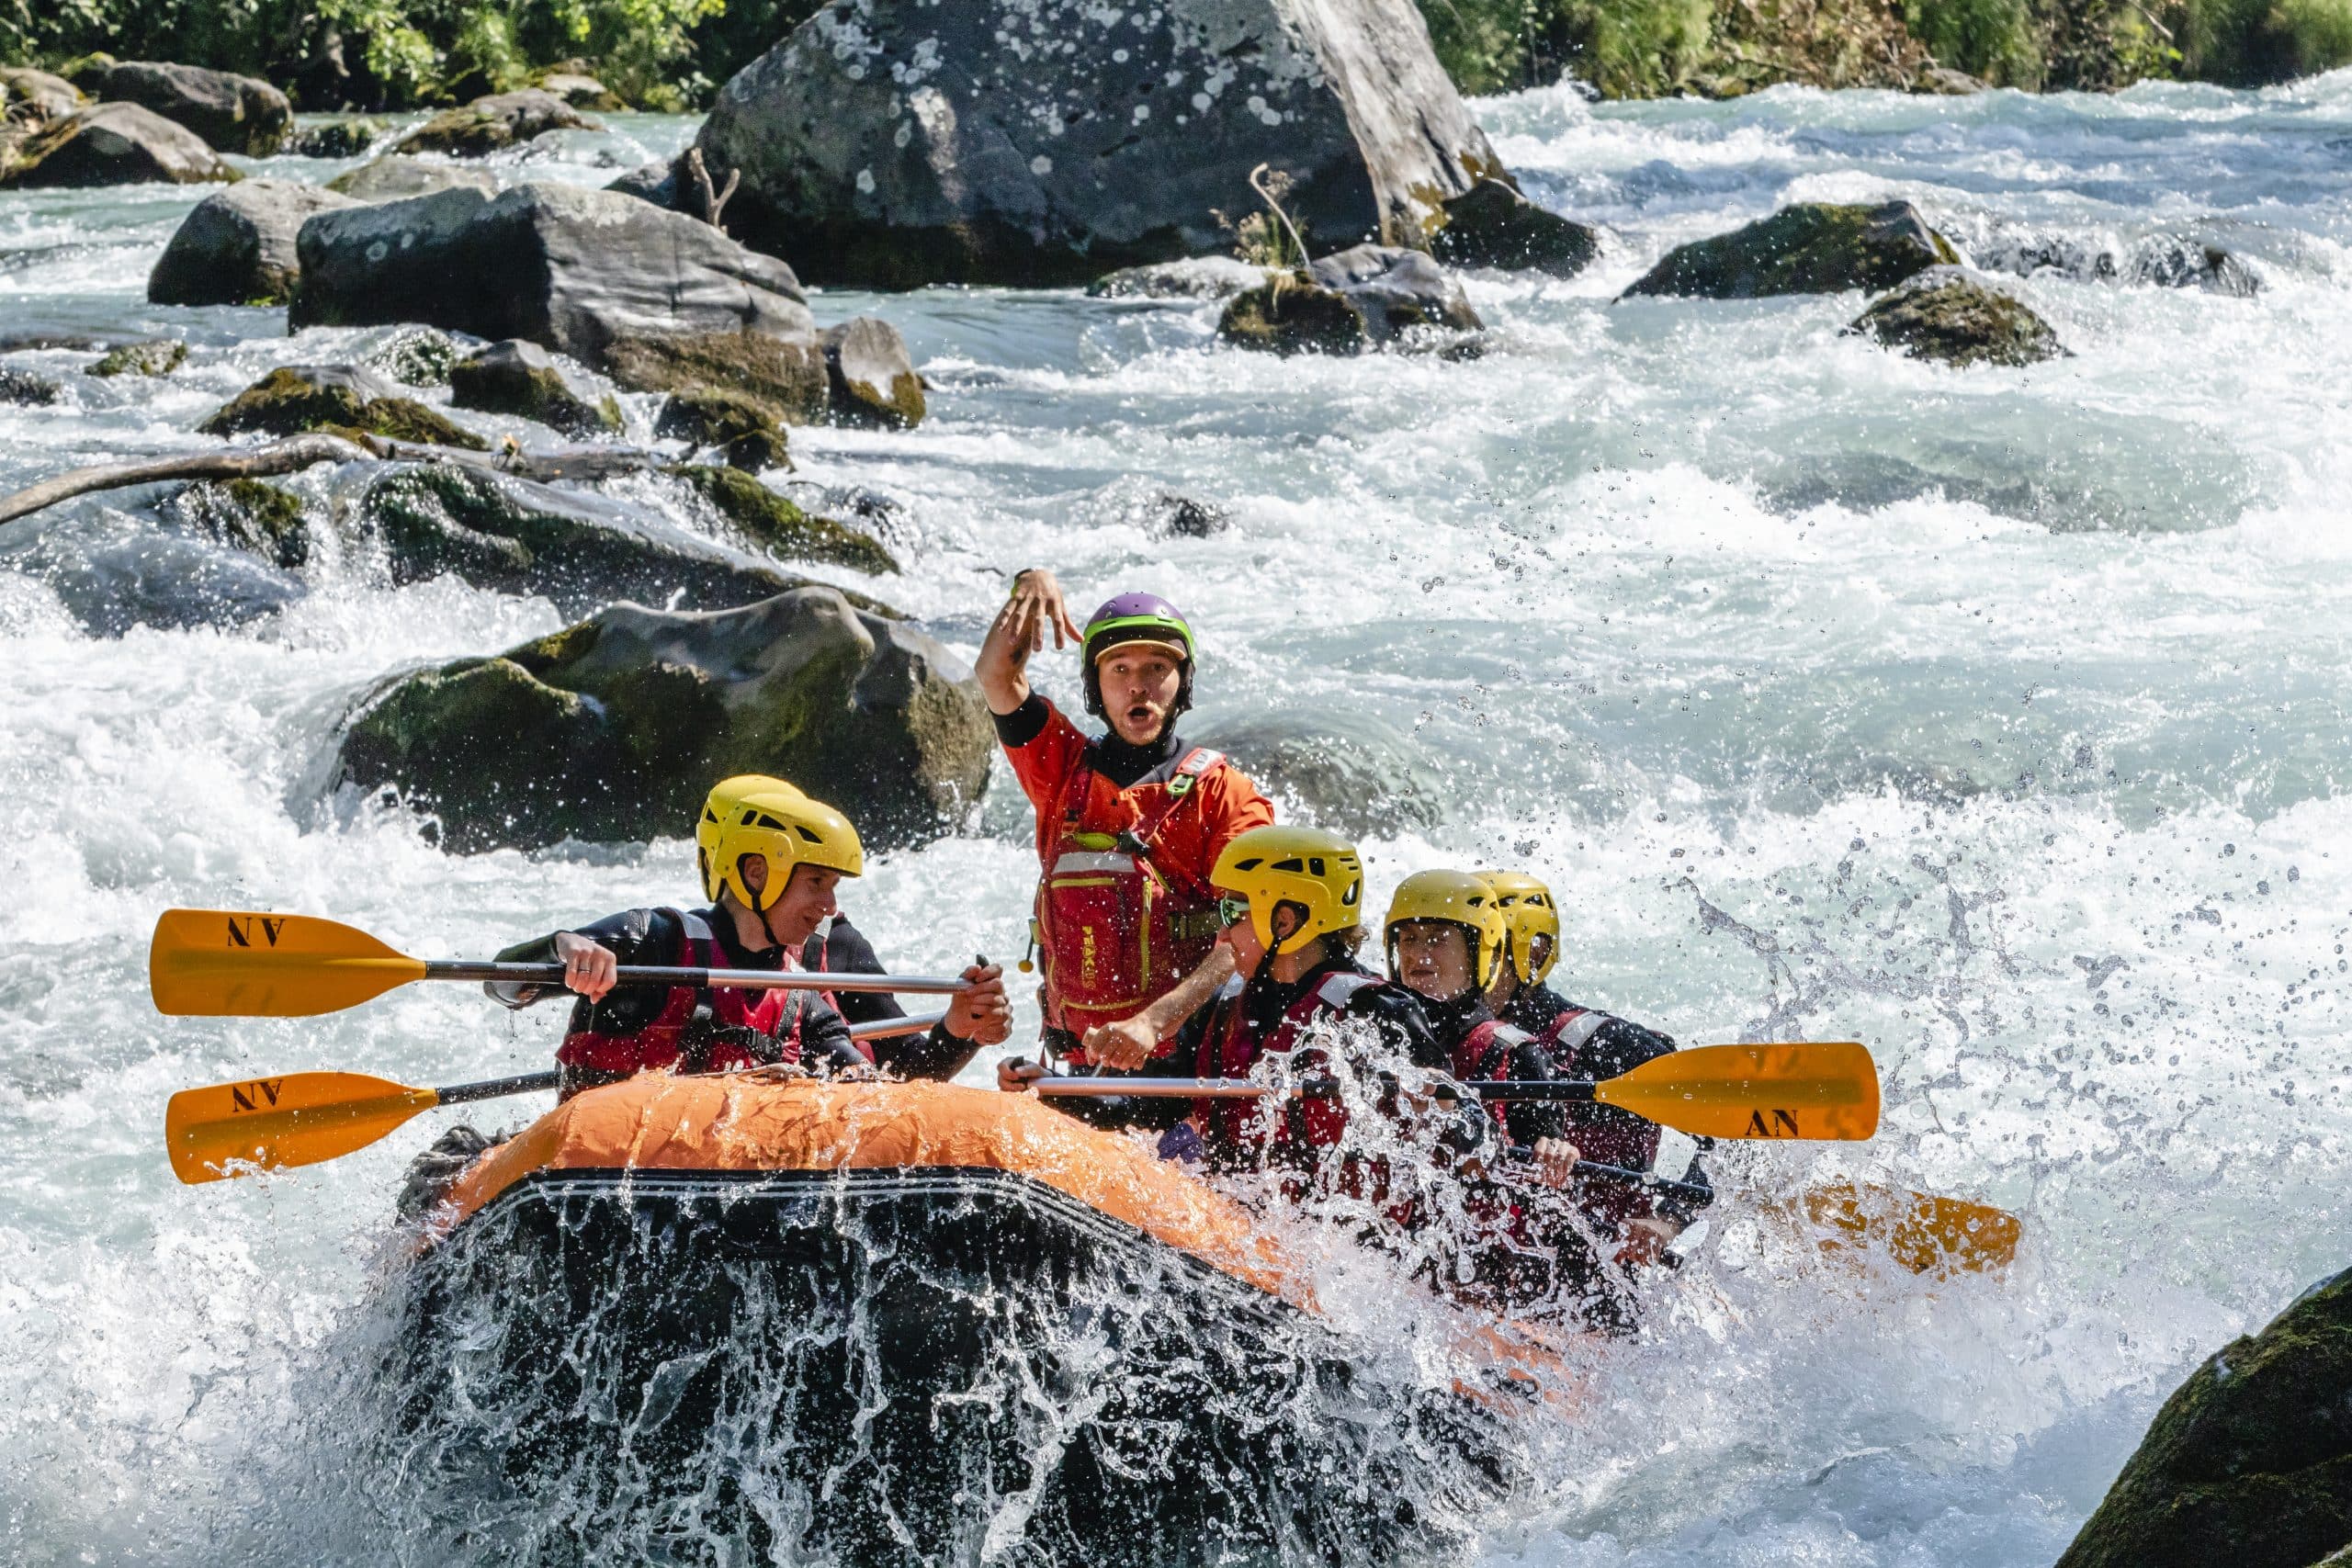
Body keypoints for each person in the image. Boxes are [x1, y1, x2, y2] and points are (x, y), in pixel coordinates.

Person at [490, 775, 1010, 1099]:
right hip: (596, 1175)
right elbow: (502, 984)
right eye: (816, 883)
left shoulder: (801, 994)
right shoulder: (654, 941)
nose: (831, 907)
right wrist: (562, 946)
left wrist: (956, 1029)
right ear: (757, 873)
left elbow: (884, 1092)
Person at [977, 571, 1273, 1081]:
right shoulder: (1059, 769)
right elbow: (996, 675)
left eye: (1157, 667)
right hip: (1075, 1065)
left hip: (1183, 1070)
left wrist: (1152, 1024)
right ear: (1096, 686)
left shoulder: (1225, 794)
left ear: (1183, 684)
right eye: (1119, 668)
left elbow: (1250, 937)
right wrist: (1031, 583)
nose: (1138, 684)